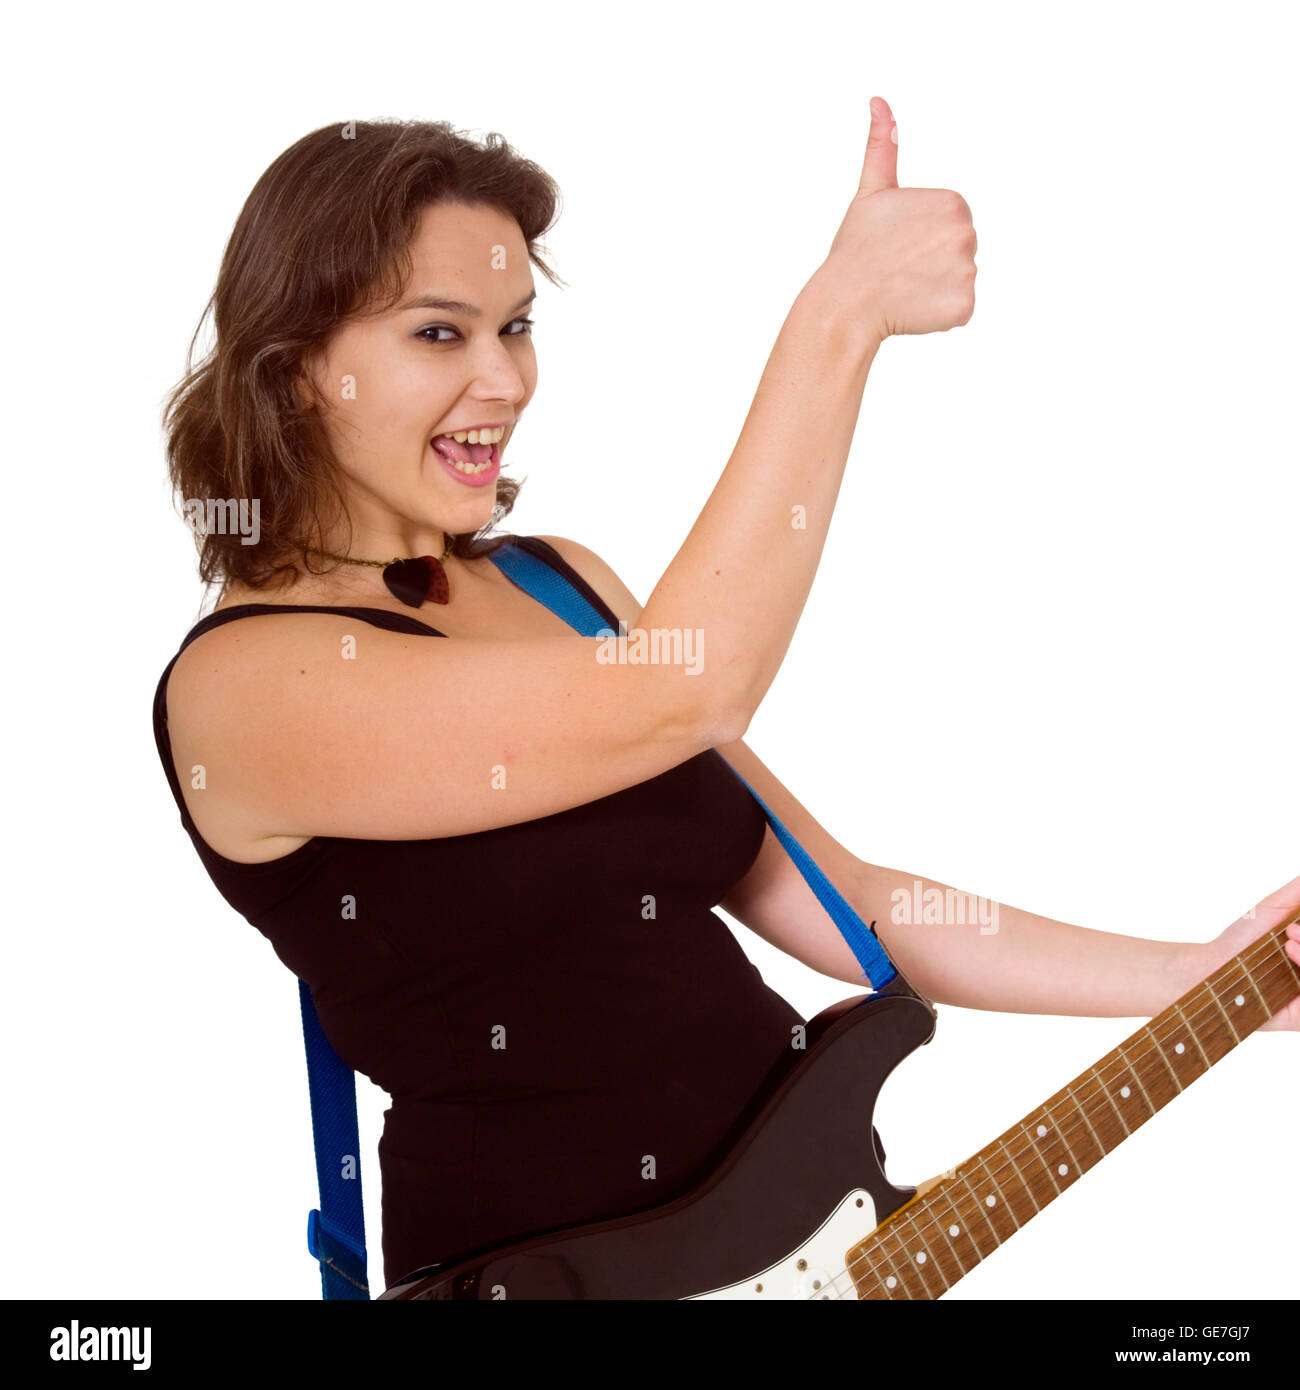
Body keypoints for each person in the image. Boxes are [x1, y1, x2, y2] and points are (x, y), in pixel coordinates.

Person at [153, 97, 1300, 1294]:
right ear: (294, 377)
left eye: (517, 326)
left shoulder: (561, 585)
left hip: (819, 1236)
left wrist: (1201, 979)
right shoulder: (243, 688)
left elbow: (839, 896)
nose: (505, 378)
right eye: (440, 334)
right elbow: (690, 692)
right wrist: (838, 317)